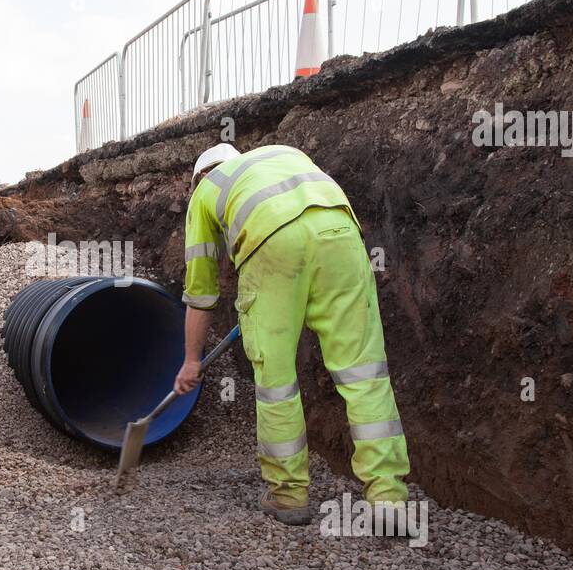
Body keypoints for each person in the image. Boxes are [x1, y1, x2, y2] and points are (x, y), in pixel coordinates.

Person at [173, 143, 409, 525]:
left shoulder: (205, 189)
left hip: (273, 246)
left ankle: (289, 496)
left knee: (276, 381)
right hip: (343, 239)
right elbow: (306, 226)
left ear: (200, 175)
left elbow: (200, 294)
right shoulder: (282, 154)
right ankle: (388, 500)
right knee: (364, 373)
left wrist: (191, 360)